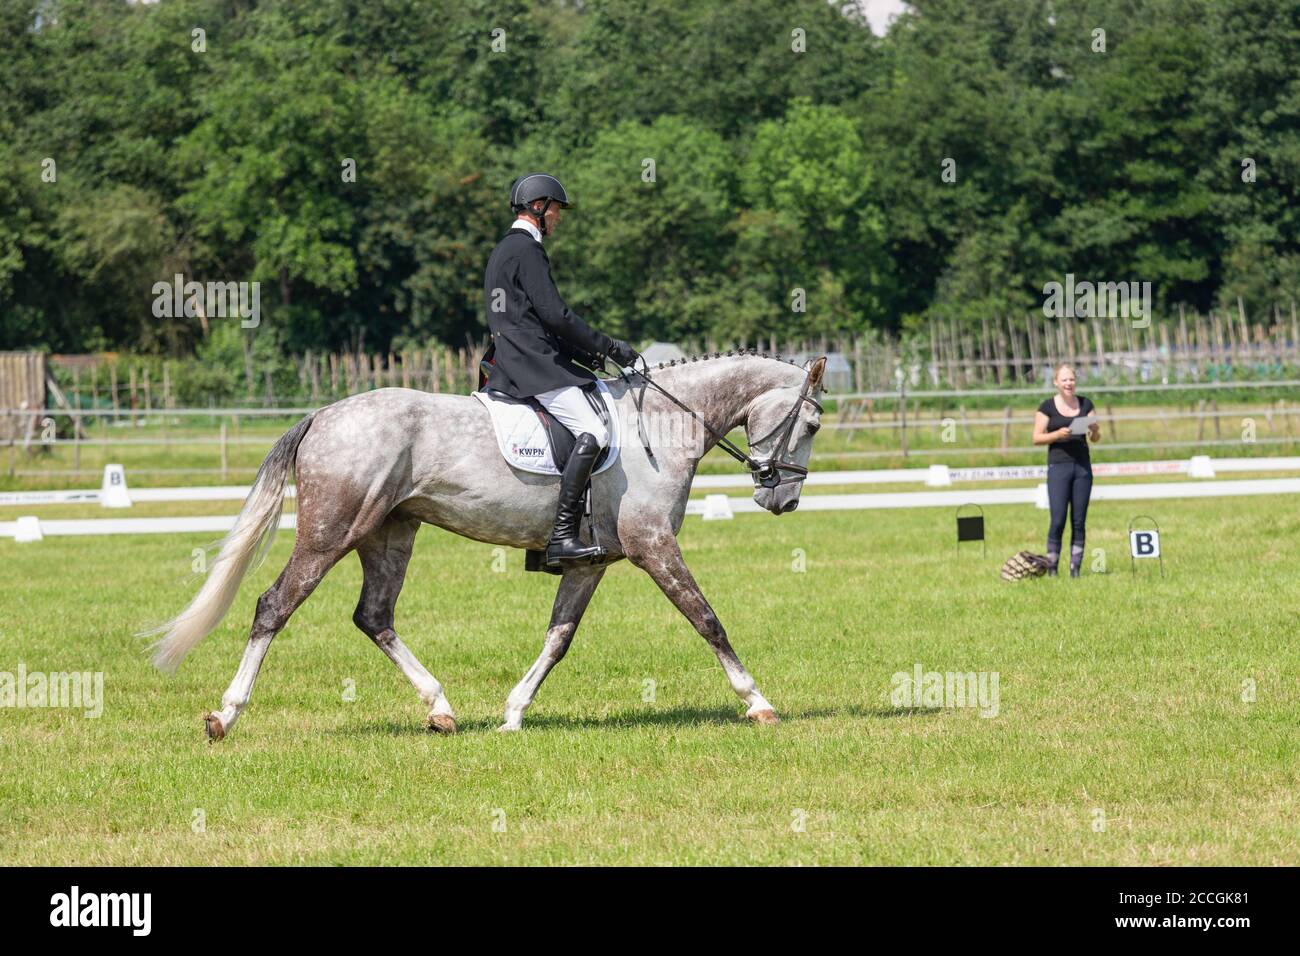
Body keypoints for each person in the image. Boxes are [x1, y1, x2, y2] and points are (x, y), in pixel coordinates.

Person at [482, 172, 641, 567]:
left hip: (515, 356)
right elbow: (555, 314)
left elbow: (530, 317)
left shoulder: (505, 248)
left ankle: (546, 545)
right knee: (595, 430)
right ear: (538, 208)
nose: (558, 218)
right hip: (531, 363)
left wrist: (583, 356)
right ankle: (562, 538)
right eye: (555, 210)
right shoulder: (527, 250)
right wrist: (609, 347)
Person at [1032, 363, 1101, 577]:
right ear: (1056, 382)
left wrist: (1095, 430)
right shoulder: (1046, 407)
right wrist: (1056, 435)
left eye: (1071, 379)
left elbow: (1096, 437)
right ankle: (1052, 567)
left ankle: (1075, 568)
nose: (1068, 383)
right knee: (1058, 518)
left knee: (1079, 520)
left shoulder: (1086, 403)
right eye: (1064, 380)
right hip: (1058, 466)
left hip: (1082, 467)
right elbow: (1036, 437)